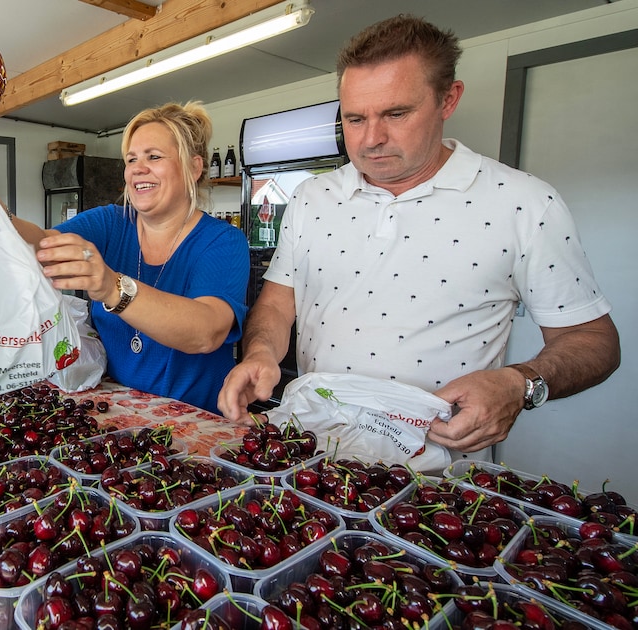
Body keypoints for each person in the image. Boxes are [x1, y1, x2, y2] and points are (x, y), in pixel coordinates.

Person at [217, 15, 620, 456]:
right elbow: (278, 303)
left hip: (436, 472)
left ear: (449, 99)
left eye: (396, 114)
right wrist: (261, 353)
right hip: (313, 452)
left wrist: (521, 384)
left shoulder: (524, 202)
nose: (371, 139)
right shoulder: (312, 197)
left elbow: (593, 340)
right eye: (354, 119)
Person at [0, 102, 250, 415]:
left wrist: (114, 288)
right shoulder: (111, 223)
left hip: (195, 424)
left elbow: (206, 332)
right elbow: (43, 244)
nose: (138, 168)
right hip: (117, 415)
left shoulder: (222, 241)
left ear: (193, 168)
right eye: (131, 159)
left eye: (154, 157)